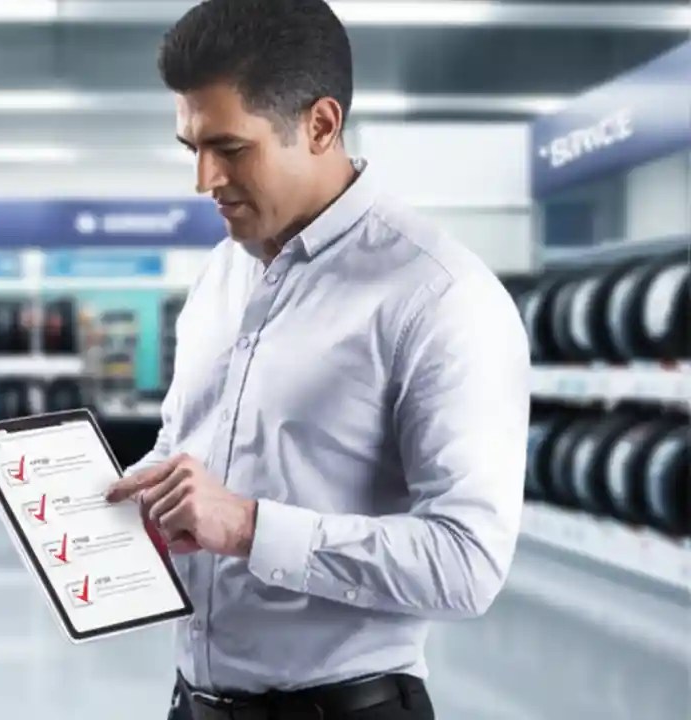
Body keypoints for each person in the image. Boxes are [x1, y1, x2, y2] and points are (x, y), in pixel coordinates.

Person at [103, 1, 530, 718]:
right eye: (191, 149)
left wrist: (245, 528)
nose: (203, 181)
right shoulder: (220, 276)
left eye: (231, 149)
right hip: (193, 703)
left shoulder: (439, 296)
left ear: (321, 124)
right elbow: (182, 452)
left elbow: (468, 564)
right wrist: (122, 508)